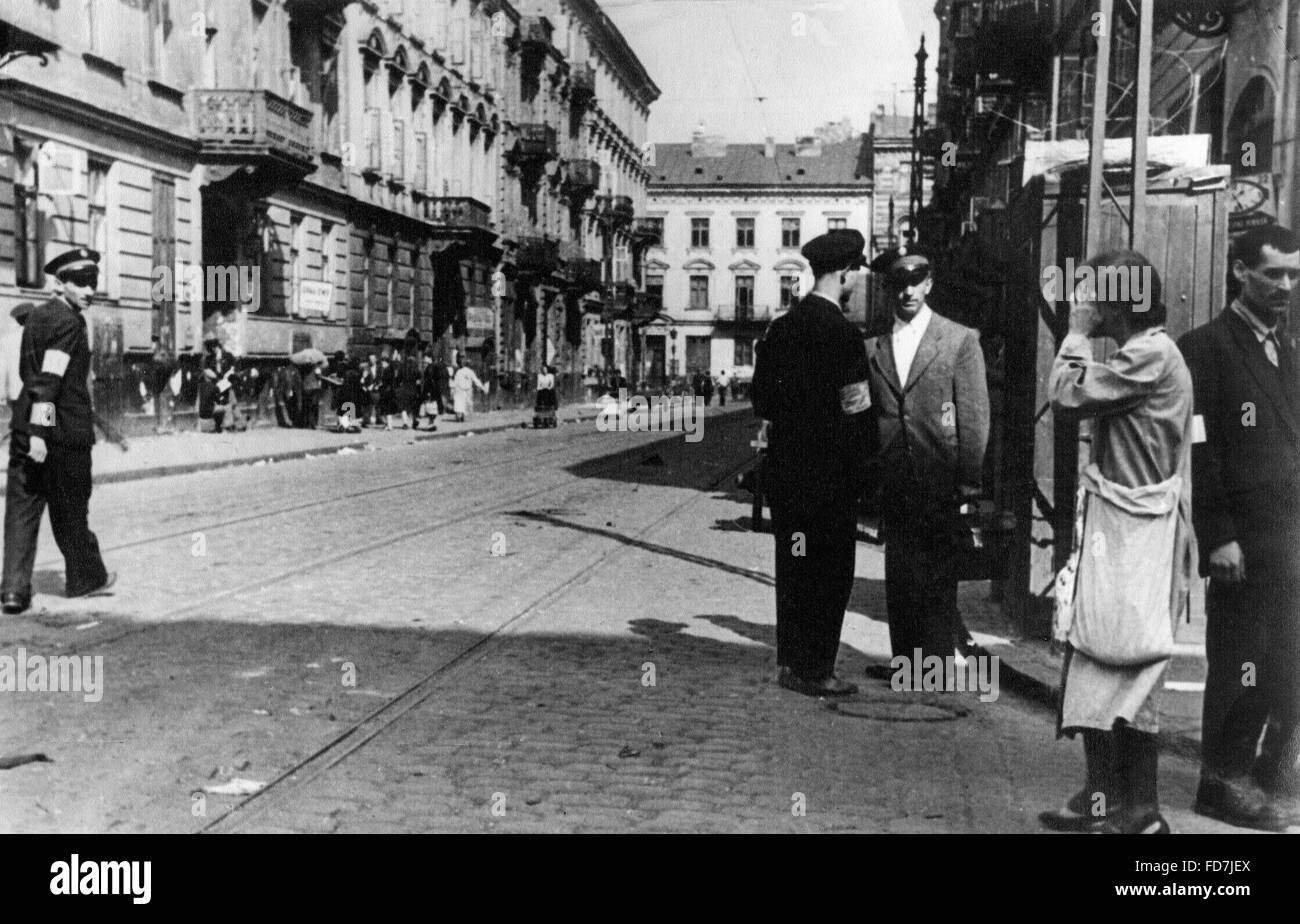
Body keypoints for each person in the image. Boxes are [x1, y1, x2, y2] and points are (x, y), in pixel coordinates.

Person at [1040, 250, 1195, 835]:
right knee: (1093, 660)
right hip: (1120, 530)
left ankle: (1142, 812)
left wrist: (1076, 334)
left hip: (1137, 537)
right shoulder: (1144, 353)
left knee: (1128, 664)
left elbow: (1065, 394)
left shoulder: (1151, 357)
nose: (1084, 304)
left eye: (1091, 295)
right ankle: (1103, 797)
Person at [1178, 224, 1300, 832]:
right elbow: (1199, 449)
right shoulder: (1206, 346)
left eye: (1294, 274)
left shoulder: (1290, 349)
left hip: (1290, 540)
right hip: (1244, 543)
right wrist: (1217, 532)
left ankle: (1271, 776)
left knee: (1287, 661)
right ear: (1240, 272)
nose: (1285, 285)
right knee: (1239, 662)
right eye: (1273, 273)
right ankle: (1219, 783)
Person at [752, 228, 874, 697]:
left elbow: (761, 399)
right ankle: (819, 670)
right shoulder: (844, 336)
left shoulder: (780, 329)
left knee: (794, 566)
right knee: (830, 574)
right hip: (831, 483)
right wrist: (864, 473)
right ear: (844, 274)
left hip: (788, 480)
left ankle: (790, 665)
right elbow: (857, 410)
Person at [863, 248, 989, 670]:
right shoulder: (876, 347)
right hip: (895, 478)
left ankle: (931, 667)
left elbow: (973, 417)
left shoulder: (959, 340)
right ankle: (907, 664)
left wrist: (968, 481)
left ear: (929, 285)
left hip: (940, 480)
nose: (908, 292)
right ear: (890, 290)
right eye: (899, 285)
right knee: (900, 573)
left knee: (936, 577)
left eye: (916, 283)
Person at [1, 247, 114, 615]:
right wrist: (40, 431)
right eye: (80, 282)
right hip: (59, 435)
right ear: (60, 283)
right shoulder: (69, 323)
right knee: (71, 509)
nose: (88, 290)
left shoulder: (35, 318)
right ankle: (84, 577)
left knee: (22, 509)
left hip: (25, 422)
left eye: (93, 281)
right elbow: (49, 380)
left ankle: (14, 590)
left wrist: (30, 425)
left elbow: (27, 376)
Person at [1, 303, 35, 409]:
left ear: (17, 320)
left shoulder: (6, 340)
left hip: (17, 394)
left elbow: (2, 369)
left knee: (21, 425)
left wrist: (1, 395)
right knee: (45, 424)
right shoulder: (47, 337)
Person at [201, 339, 235, 433]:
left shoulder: (228, 356)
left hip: (226, 381)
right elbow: (206, 369)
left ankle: (227, 425)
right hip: (215, 382)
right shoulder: (209, 358)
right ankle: (217, 425)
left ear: (217, 347)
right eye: (211, 348)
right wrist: (213, 375)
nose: (213, 350)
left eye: (214, 347)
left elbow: (233, 369)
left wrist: (227, 376)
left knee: (225, 400)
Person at [452, 357, 489, 422]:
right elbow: (476, 380)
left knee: (459, 404)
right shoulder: (470, 372)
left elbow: (455, 382)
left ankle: (459, 416)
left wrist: (453, 391)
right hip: (467, 390)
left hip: (459, 390)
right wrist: (483, 388)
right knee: (465, 404)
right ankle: (462, 416)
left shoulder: (459, 371)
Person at [361, 354, 380, 427]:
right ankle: (366, 420)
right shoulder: (366, 368)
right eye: (369, 359)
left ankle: (379, 419)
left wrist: (376, 385)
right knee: (367, 405)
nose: (371, 360)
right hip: (367, 389)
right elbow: (363, 378)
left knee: (378, 404)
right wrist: (364, 387)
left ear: (376, 360)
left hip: (377, 388)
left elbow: (381, 377)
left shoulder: (379, 368)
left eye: (372, 359)